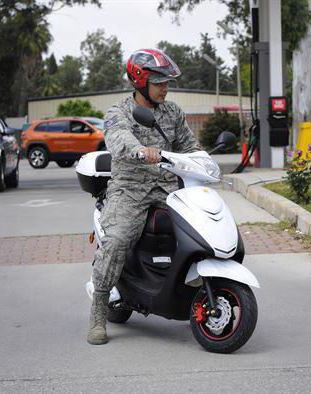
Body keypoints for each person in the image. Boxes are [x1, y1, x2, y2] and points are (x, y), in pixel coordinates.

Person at [87, 49, 201, 345]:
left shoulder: (173, 112)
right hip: (130, 188)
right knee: (118, 240)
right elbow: (118, 139)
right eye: (159, 82)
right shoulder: (118, 112)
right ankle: (99, 309)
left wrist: (204, 162)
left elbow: (190, 146)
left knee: (199, 231)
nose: (165, 87)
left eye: (167, 82)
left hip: (167, 187)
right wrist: (140, 150)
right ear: (140, 81)